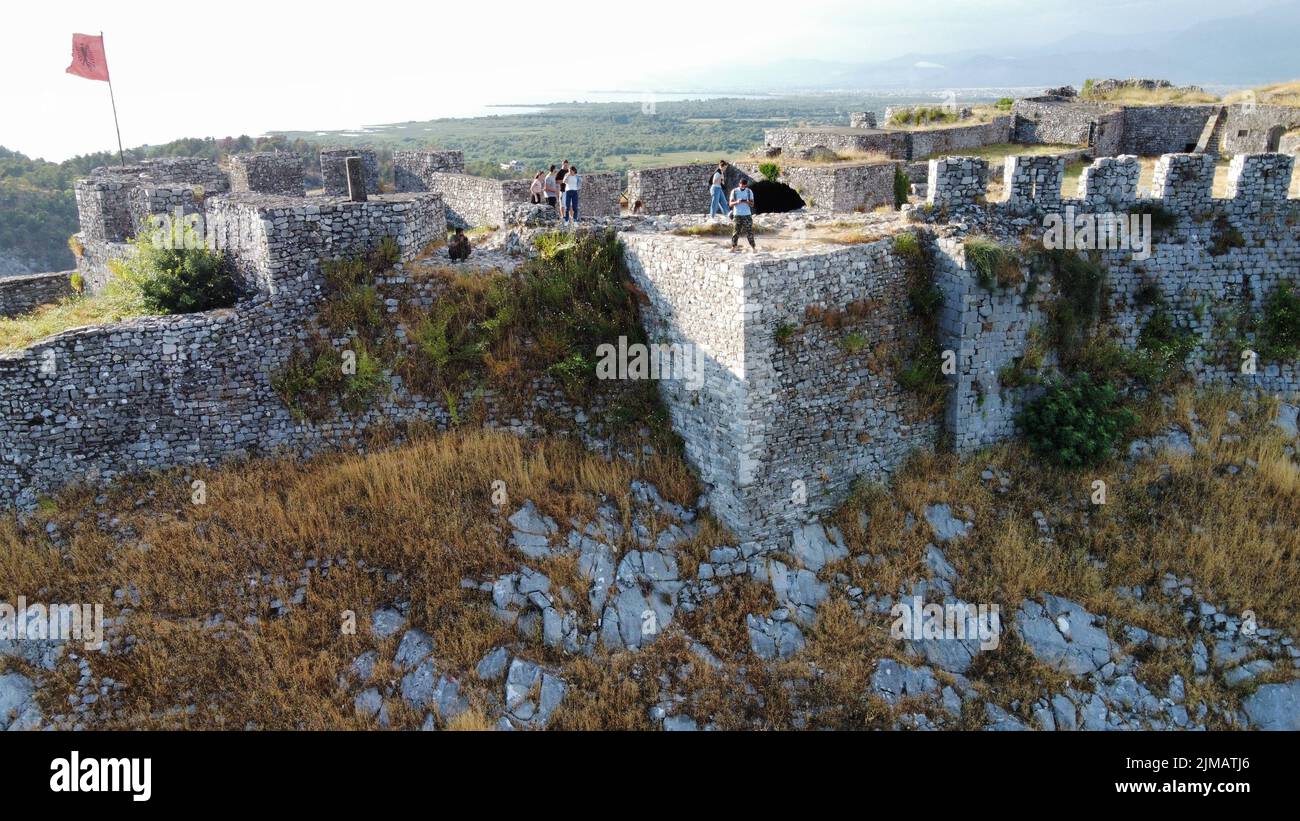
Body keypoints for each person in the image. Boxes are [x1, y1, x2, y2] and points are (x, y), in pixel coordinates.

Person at [729, 177, 756, 252]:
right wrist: (737, 202)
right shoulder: (734, 191)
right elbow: (730, 204)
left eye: (744, 186)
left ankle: (753, 247)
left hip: (747, 214)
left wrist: (747, 202)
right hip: (737, 214)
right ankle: (733, 247)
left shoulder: (749, 192)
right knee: (736, 231)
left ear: (746, 185)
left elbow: (752, 204)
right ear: (739, 184)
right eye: (741, 185)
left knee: (749, 231)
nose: (743, 187)